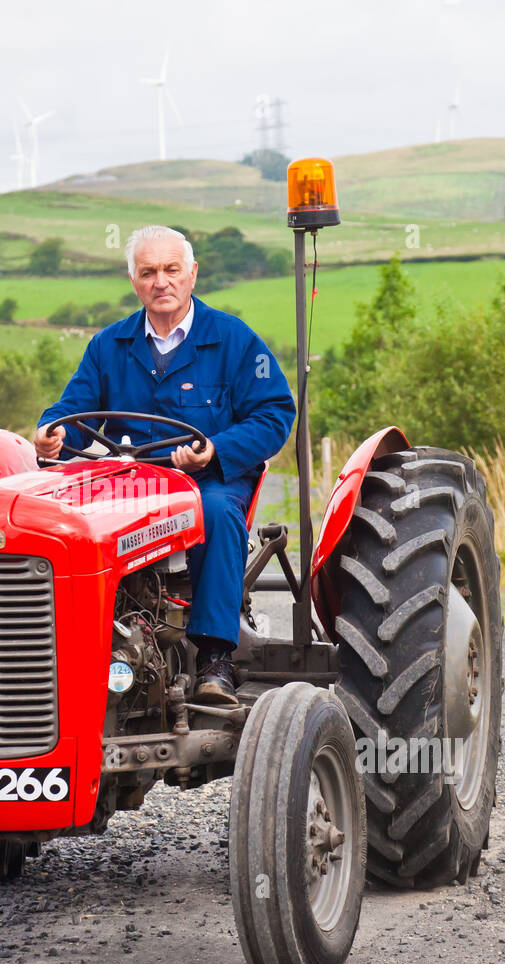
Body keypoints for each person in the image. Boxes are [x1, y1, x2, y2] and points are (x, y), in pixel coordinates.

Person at [34, 225, 295, 705]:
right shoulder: (108, 346)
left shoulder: (234, 341)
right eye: (148, 272)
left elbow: (276, 413)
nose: (161, 282)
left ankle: (215, 658)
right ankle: (68, 654)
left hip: (206, 482)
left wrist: (216, 449)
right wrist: (52, 432)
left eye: (171, 270)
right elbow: (72, 408)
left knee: (214, 514)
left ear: (192, 274)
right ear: (134, 281)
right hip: (126, 483)